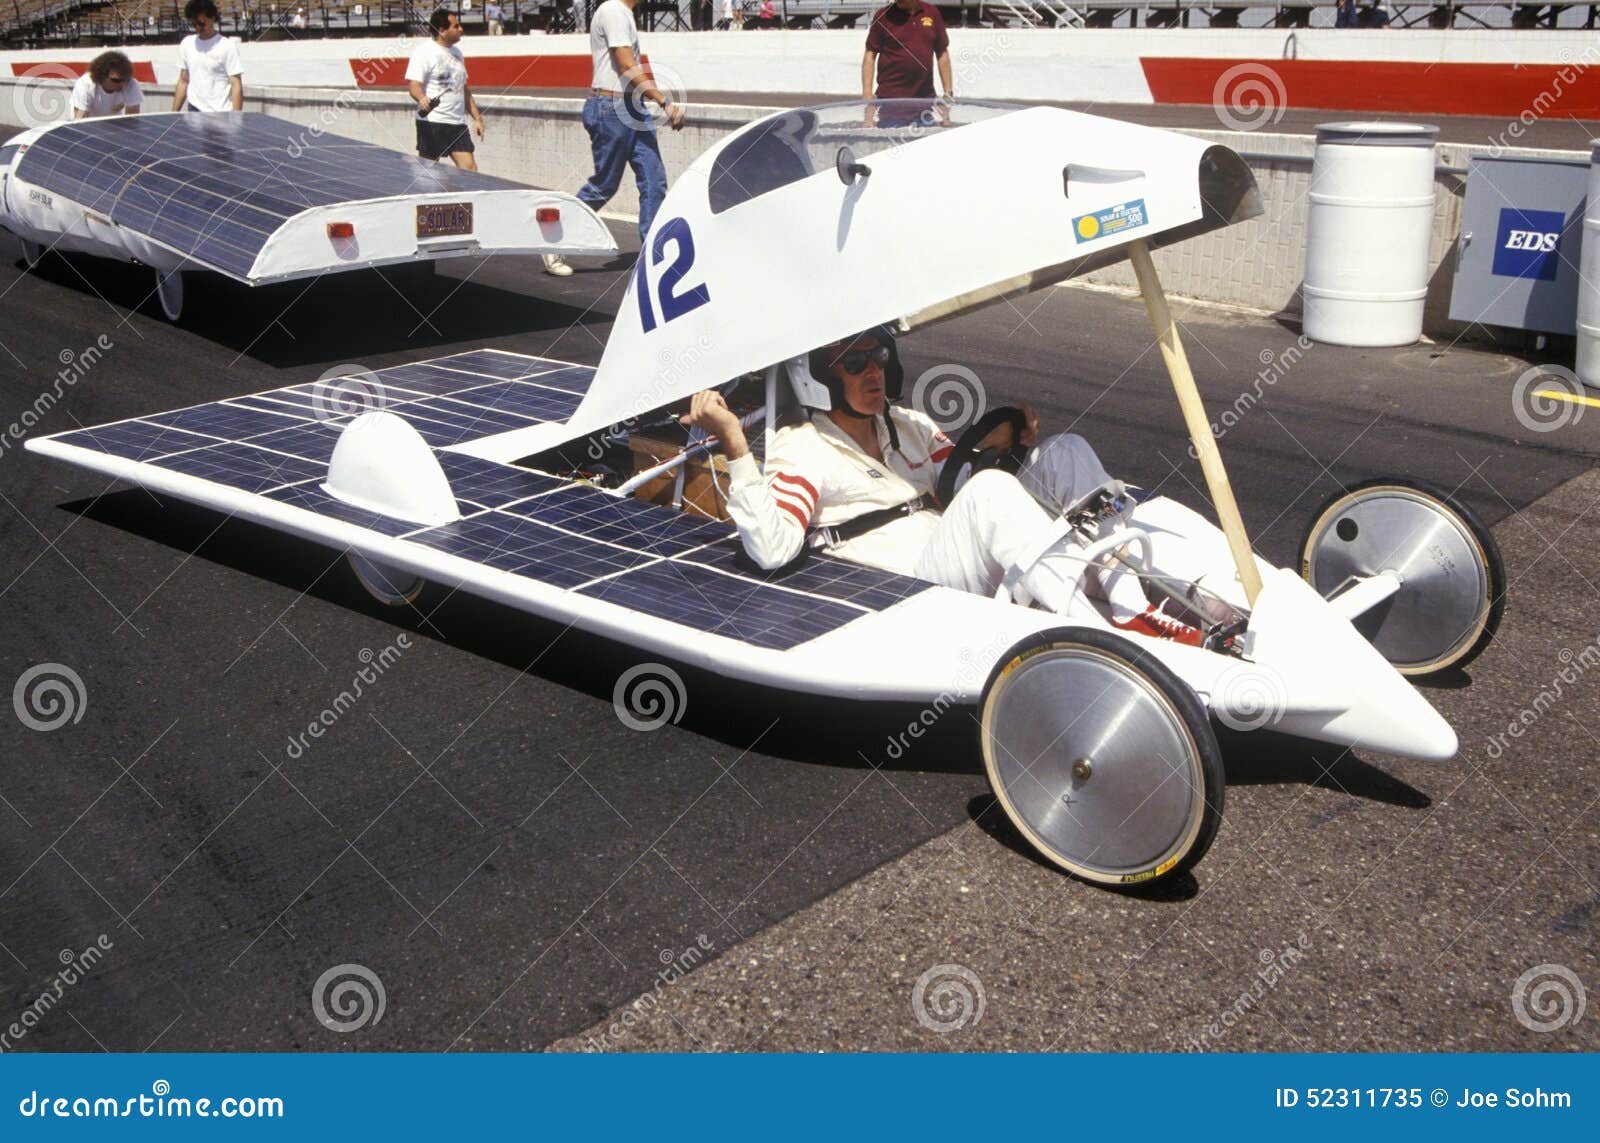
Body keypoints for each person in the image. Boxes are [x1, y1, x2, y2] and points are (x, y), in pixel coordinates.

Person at [682, 327, 1204, 644]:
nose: (873, 374)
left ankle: (1133, 608)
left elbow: (960, 474)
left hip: (952, 550)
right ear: (817, 376)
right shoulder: (802, 446)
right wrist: (734, 441)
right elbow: (772, 549)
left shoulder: (906, 423)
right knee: (989, 495)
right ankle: (1101, 638)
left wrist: (1008, 442)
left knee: (1065, 451)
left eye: (879, 359)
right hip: (908, 585)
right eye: (855, 364)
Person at [543, 0, 684, 277]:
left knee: (654, 180)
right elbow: (625, 65)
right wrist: (664, 101)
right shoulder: (613, 11)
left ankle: (651, 256)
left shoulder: (625, 15)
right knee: (605, 185)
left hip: (632, 108)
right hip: (612, 109)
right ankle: (553, 241)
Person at [406, 9, 485, 171]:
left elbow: (463, 88)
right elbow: (414, 85)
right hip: (433, 122)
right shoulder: (424, 52)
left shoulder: (457, 53)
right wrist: (422, 98)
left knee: (470, 172)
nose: (461, 29)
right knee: (428, 174)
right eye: (456, 26)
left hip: (457, 124)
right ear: (442, 31)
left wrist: (477, 118)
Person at [861, 0, 953, 125]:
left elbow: (942, 53)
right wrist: (867, 94)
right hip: (891, 107)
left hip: (925, 106)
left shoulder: (932, 13)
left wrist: (948, 92)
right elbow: (870, 55)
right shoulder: (883, 16)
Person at [172, 0, 243, 113]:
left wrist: (236, 117)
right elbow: (183, 80)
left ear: (213, 18)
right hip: (194, 111)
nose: (197, 28)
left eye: (201, 23)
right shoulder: (187, 44)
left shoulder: (227, 46)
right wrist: (174, 113)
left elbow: (236, 85)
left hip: (221, 114)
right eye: (194, 24)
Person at [72, 51, 142, 119]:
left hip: (115, 126)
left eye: (124, 79)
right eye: (116, 80)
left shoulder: (130, 84)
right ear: (101, 76)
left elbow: (132, 119)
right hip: (89, 125)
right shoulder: (85, 85)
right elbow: (80, 120)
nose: (122, 84)